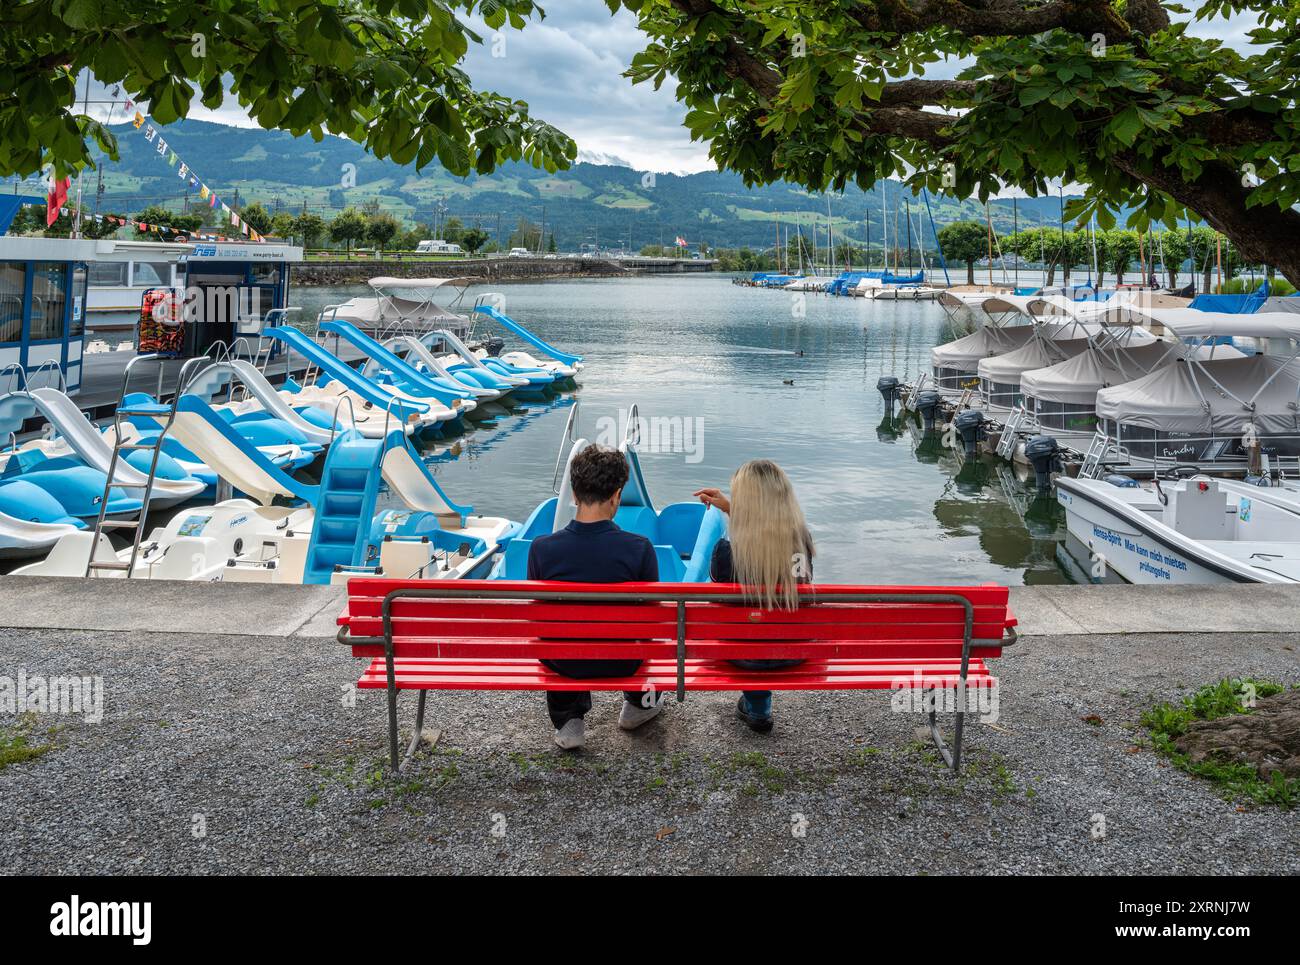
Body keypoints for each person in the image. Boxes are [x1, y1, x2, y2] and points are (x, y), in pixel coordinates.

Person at [527, 444, 665, 750]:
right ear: (617, 496)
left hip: (563, 663)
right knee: (644, 635)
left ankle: (568, 720)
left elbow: (538, 618)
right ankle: (638, 706)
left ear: (574, 495)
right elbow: (653, 623)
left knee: (558, 635)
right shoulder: (639, 548)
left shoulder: (541, 549)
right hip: (621, 662)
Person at [694, 459, 814, 733]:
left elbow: (719, 606)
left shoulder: (725, 553)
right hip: (792, 651)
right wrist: (730, 508)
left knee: (750, 623)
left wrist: (733, 511)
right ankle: (758, 707)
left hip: (742, 654)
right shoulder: (801, 545)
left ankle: (758, 705)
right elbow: (770, 540)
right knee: (766, 622)